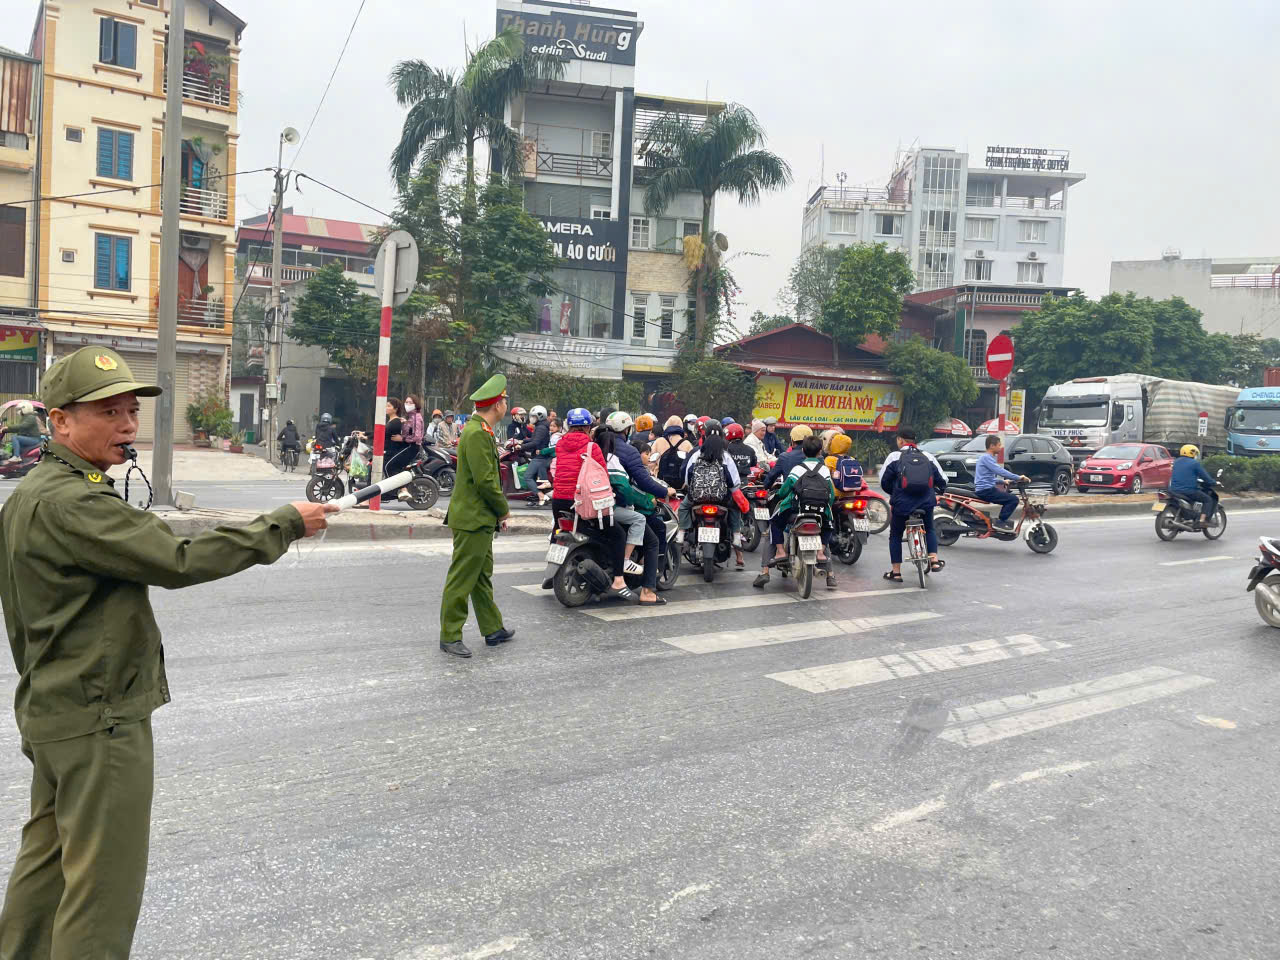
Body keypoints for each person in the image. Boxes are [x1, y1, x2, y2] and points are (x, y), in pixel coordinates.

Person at [0, 347, 333, 958]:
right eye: (107, 411)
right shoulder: (74, 502)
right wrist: (283, 523)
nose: (127, 424)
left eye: (130, 409)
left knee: (45, 871)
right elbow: (177, 557)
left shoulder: (34, 494)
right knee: (100, 894)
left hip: (55, 711)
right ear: (59, 422)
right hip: (99, 718)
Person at [439, 375, 517, 658]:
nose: (507, 404)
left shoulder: (481, 430)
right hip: (473, 518)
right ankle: (450, 635)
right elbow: (486, 481)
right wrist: (503, 509)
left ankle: (492, 628)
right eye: (505, 400)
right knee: (461, 579)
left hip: (479, 518)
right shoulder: (477, 433)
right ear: (497, 405)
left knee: (481, 576)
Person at [550, 408, 633, 601]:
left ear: (569, 426)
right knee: (618, 534)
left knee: (557, 530)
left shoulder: (560, 444)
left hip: (558, 501)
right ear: (588, 426)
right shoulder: (592, 447)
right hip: (581, 503)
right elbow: (601, 475)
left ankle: (553, 568)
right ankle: (619, 579)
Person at [754, 434, 838, 590]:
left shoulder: (798, 469)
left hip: (797, 510)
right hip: (819, 512)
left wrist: (778, 495)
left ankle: (779, 553)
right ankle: (821, 553)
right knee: (828, 526)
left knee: (775, 522)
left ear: (803, 451)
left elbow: (785, 490)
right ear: (820, 451)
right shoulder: (824, 470)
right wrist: (826, 508)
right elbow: (831, 495)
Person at [879, 427, 948, 581]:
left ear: (900, 440)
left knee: (895, 535)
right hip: (925, 502)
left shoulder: (894, 456)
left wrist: (894, 492)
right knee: (929, 528)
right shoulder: (927, 456)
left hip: (901, 503)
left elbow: (883, 481)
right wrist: (936, 492)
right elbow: (942, 480)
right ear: (914, 440)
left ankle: (896, 572)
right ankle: (934, 560)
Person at [679, 422, 746, 569]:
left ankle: (682, 532)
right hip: (721, 499)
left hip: (697, 498)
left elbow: (686, 478)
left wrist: (693, 489)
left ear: (704, 436)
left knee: (683, 507)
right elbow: (734, 481)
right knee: (735, 508)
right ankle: (736, 536)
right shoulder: (726, 457)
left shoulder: (696, 455)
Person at [972, 434, 1031, 531]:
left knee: (1008, 497)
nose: (1001, 447)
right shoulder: (987, 458)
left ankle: (1000, 522)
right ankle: (1000, 522)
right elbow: (1000, 471)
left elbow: (986, 477)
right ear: (992, 446)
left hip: (986, 489)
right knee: (1013, 500)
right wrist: (1019, 478)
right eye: (999, 445)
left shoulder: (986, 458)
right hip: (986, 490)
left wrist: (1002, 481)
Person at [1170, 444, 1217, 528]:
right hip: (1188, 491)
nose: (1195, 455)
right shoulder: (1194, 463)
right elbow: (1205, 476)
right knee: (1208, 500)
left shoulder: (1176, 461)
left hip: (1173, 490)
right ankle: (1201, 521)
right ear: (1191, 453)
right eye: (1195, 453)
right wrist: (1213, 482)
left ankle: (1188, 516)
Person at [519, 404, 552, 507]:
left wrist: (521, 447)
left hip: (539, 457)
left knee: (527, 477)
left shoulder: (541, 427)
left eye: (533, 416)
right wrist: (522, 441)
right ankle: (536, 498)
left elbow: (535, 443)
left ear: (540, 416)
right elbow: (534, 439)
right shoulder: (541, 426)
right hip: (540, 456)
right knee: (532, 478)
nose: (531, 418)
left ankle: (541, 496)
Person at [650, 416, 694, 488]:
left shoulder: (659, 441)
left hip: (661, 484)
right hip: (681, 486)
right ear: (681, 427)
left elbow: (650, 461)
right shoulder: (687, 444)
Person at [381, 397, 416, 478]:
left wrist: (403, 438)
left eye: (389, 406)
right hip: (391, 450)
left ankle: (403, 489)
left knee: (388, 468)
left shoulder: (397, 422)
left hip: (402, 450)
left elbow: (383, 433)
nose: (386, 408)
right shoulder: (395, 421)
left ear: (396, 409)